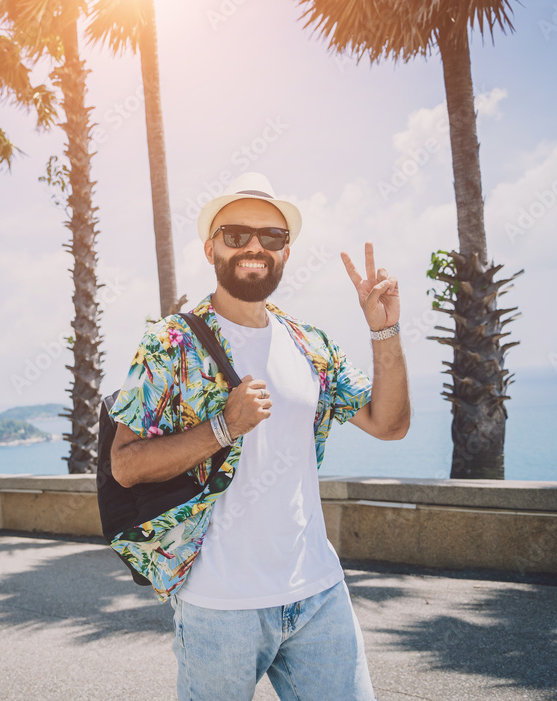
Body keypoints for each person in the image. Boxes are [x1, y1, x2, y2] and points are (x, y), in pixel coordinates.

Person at [109, 172, 410, 700]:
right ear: (210, 248)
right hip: (219, 604)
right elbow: (125, 465)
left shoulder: (309, 344)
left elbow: (389, 424)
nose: (254, 247)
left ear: (286, 252)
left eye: (271, 237)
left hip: (318, 595)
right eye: (236, 235)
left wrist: (383, 330)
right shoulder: (171, 344)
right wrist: (223, 427)